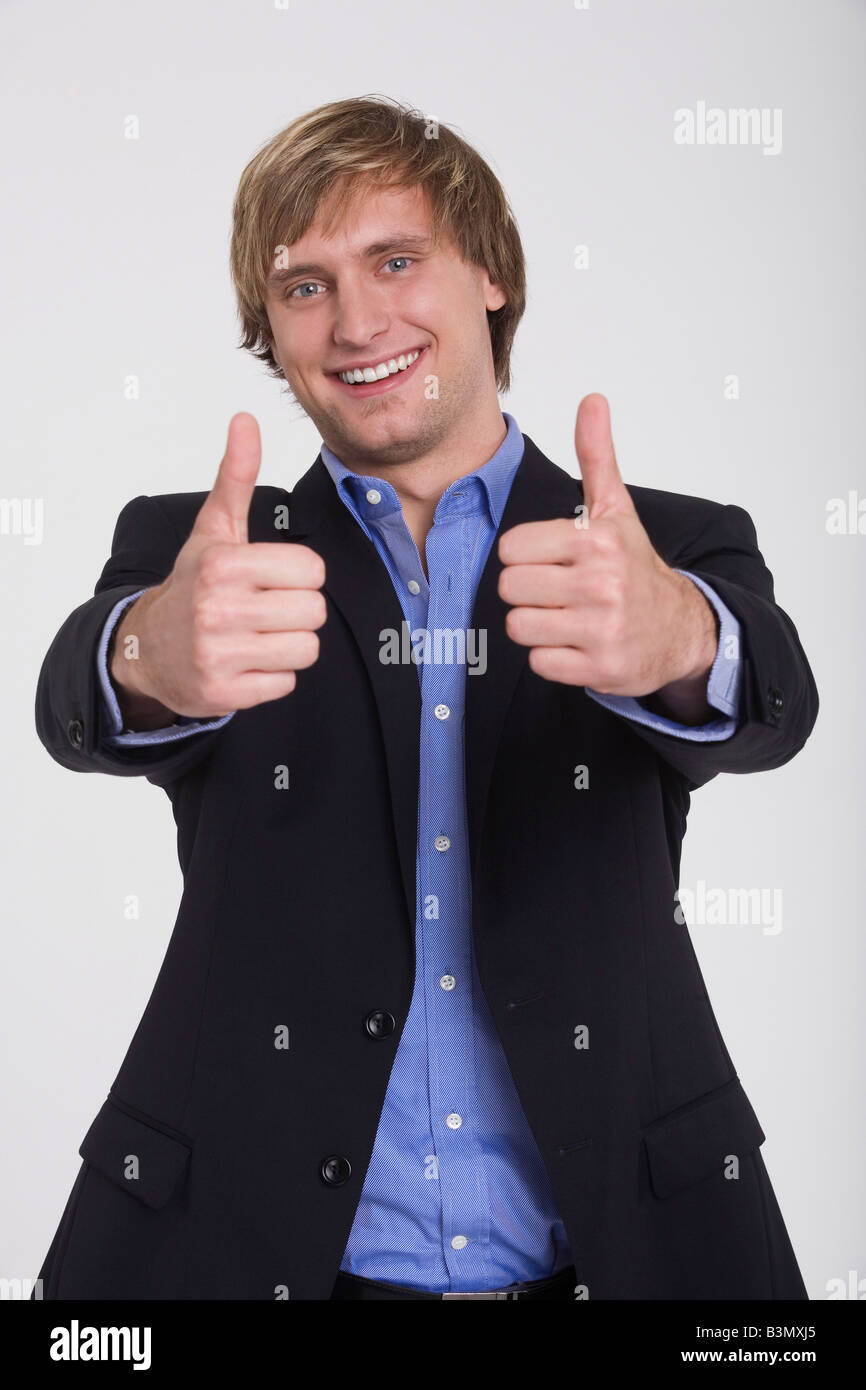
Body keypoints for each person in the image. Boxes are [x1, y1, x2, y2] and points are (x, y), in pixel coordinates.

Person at [33, 95, 818, 1301]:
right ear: (271, 330)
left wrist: (674, 633)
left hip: (629, 1255)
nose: (355, 322)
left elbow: (775, 693)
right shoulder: (214, 552)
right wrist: (147, 654)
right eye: (304, 286)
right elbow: (74, 695)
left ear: (490, 274)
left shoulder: (654, 546)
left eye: (394, 261)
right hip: (244, 1259)